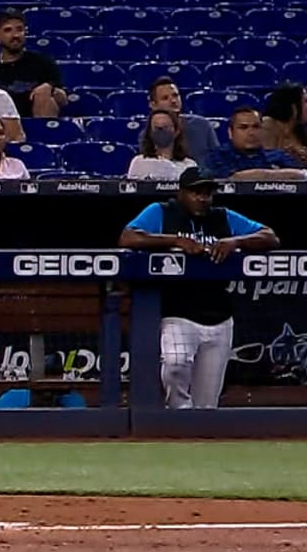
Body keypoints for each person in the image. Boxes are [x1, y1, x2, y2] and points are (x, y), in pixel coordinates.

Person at [119, 168, 280, 409]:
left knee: (207, 403)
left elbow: (270, 237)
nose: (203, 198)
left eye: (207, 193)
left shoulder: (222, 217)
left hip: (219, 316)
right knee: (175, 363)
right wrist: (174, 240)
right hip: (177, 313)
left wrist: (235, 241)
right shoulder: (162, 212)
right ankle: (179, 416)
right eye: (196, 192)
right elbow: (128, 237)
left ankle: (197, 435)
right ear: (181, 192)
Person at [0, 8, 67, 119]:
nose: (15, 35)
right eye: (8, 30)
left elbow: (63, 100)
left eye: (19, 29)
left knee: (44, 95)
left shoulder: (43, 62)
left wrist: (50, 89)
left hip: (35, 119)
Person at [204, 107, 307, 181]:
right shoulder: (217, 157)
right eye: (243, 127)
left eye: (256, 127)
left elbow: (304, 175)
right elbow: (232, 179)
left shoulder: (278, 155)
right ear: (230, 132)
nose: (251, 133)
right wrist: (277, 174)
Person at [262, 83, 307, 171]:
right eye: (306, 101)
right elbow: (266, 164)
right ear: (293, 106)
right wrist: (286, 157)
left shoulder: (302, 132)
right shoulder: (268, 125)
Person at [147, 77, 218, 166]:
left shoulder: (202, 125)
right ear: (153, 105)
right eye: (165, 98)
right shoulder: (150, 132)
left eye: (175, 95)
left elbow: (218, 159)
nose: (173, 101)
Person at [126, 109, 196, 181]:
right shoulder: (139, 162)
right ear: (150, 132)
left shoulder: (189, 165)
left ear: (176, 131)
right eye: (157, 128)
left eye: (165, 127)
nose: (161, 131)